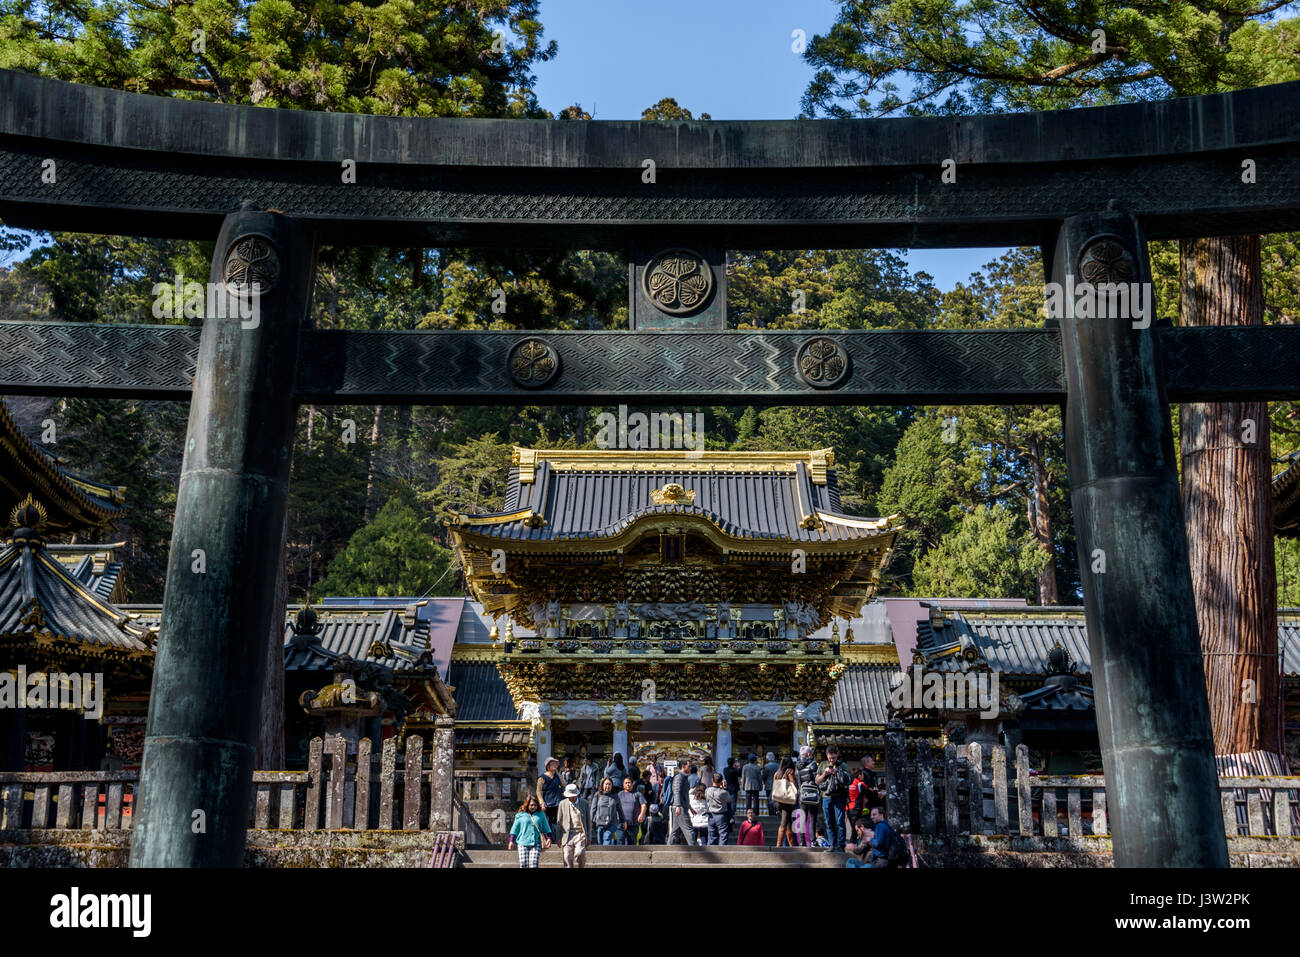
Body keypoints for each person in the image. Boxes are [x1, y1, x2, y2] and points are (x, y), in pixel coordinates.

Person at [816, 744, 851, 851]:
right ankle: (832, 845)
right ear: (826, 755)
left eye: (834, 758)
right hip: (826, 796)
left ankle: (841, 845)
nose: (831, 760)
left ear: (837, 755)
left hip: (839, 796)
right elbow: (817, 781)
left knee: (840, 822)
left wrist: (837, 773)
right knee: (829, 822)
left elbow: (848, 780)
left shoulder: (842, 765)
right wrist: (825, 774)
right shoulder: (822, 765)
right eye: (830, 758)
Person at [508, 794, 552, 868]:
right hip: (522, 843)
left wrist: (549, 838)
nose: (533, 807)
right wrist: (511, 841)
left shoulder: (540, 814)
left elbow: (546, 827)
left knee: (534, 864)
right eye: (531, 805)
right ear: (527, 804)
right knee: (523, 864)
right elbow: (514, 828)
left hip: (536, 843)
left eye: (535, 805)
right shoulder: (520, 814)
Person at [556, 783, 590, 868]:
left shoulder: (584, 803)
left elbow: (588, 821)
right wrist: (558, 837)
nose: (570, 798)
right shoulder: (562, 804)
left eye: (572, 796)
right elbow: (559, 822)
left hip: (580, 833)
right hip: (567, 834)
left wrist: (588, 837)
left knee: (580, 853)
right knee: (567, 856)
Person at [795, 745, 821, 847]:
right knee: (813, 818)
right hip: (812, 793)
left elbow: (798, 780)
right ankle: (813, 840)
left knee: (803, 818)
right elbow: (817, 779)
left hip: (802, 793)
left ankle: (802, 841)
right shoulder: (813, 764)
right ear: (809, 754)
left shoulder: (798, 765)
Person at [667, 760, 696, 845]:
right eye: (689, 766)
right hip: (680, 808)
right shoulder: (679, 777)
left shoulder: (684, 777)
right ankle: (695, 850)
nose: (690, 768)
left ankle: (668, 849)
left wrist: (690, 807)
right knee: (689, 830)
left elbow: (683, 794)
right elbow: (676, 791)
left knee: (675, 832)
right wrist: (678, 806)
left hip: (682, 806)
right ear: (683, 766)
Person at [771, 760, 799, 847]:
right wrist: (792, 779)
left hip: (778, 801)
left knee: (788, 823)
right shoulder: (790, 772)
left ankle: (792, 845)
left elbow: (774, 786)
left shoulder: (777, 773)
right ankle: (778, 845)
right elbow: (794, 787)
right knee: (784, 823)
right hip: (787, 802)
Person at [591, 777, 626, 846]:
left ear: (612, 786)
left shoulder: (615, 796)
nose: (608, 786)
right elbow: (593, 809)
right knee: (600, 842)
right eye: (606, 784)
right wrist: (591, 820)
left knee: (607, 839)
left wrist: (623, 821)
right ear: (602, 785)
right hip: (600, 823)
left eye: (609, 784)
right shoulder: (597, 795)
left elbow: (620, 810)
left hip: (611, 823)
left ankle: (605, 855)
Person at [617, 776, 647, 845]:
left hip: (633, 824)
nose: (628, 784)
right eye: (626, 783)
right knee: (620, 842)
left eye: (629, 783)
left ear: (632, 784)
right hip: (621, 823)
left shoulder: (637, 794)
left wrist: (641, 815)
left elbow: (644, 805)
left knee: (632, 844)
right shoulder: (620, 794)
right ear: (623, 785)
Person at [536, 756, 564, 830]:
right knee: (547, 824)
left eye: (556, 764)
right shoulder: (542, 778)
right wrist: (542, 803)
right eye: (553, 763)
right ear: (548, 766)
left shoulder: (559, 777)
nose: (555, 765)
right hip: (547, 804)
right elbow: (538, 791)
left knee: (558, 823)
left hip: (558, 804)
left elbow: (563, 788)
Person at [705, 772, 732, 845]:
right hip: (721, 815)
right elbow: (729, 800)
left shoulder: (707, 790)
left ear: (712, 780)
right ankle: (722, 851)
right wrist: (724, 788)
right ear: (721, 781)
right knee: (723, 834)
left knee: (711, 835)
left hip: (711, 815)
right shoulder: (723, 792)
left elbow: (706, 798)